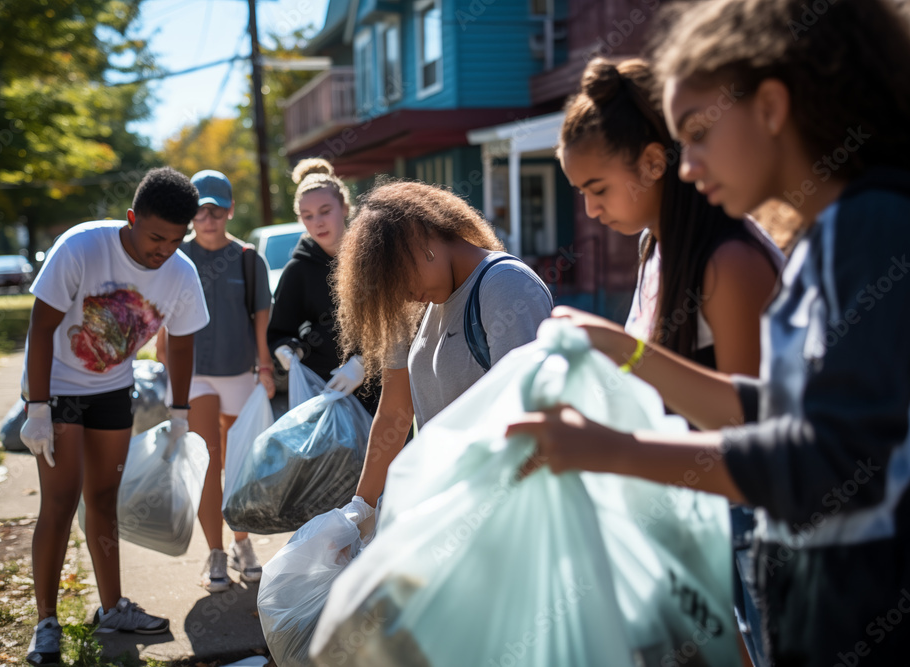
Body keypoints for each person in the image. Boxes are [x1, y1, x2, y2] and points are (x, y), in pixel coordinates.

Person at [508, 0, 910, 663]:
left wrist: (612, 449)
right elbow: (774, 413)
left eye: (696, 131)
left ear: (772, 108)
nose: (685, 164)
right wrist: (623, 352)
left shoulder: (871, 226)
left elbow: (833, 459)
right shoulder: (831, 233)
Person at [555, 56, 783, 666]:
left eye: (597, 189)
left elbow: (751, 434)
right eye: (580, 195)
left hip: (742, 535)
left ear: (653, 163)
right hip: (688, 524)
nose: (591, 211)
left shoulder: (728, 262)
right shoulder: (656, 250)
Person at [20, 167, 209, 665]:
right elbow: (41, 329)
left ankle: (112, 608)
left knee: (104, 497)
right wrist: (37, 407)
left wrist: (181, 413)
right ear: (131, 219)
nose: (162, 250)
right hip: (58, 386)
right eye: (154, 237)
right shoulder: (82, 247)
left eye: (174, 239)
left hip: (112, 389)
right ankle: (45, 622)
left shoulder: (182, 274)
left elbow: (183, 346)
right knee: (60, 502)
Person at [333, 181, 554, 512]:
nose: (403, 292)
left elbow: (533, 420)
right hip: (446, 508)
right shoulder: (414, 305)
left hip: (504, 512)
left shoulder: (505, 286)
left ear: (420, 238)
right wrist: (359, 508)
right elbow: (395, 412)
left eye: (399, 276)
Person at [155, 170, 275, 593]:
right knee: (208, 462)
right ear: (190, 214)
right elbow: (161, 312)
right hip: (194, 376)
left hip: (239, 371)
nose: (208, 218)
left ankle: (243, 542)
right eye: (200, 211)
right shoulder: (174, 255)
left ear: (229, 211)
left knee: (241, 465)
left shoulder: (247, 257)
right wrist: (162, 356)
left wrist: (264, 366)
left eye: (217, 210)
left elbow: (261, 316)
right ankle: (216, 552)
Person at [268, 158, 380, 414]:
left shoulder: (376, 257)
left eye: (325, 210)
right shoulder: (298, 270)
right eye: (307, 216)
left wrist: (366, 361)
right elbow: (279, 332)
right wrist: (285, 350)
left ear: (344, 206)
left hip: (383, 391)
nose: (317, 221)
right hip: (325, 394)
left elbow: (404, 322)